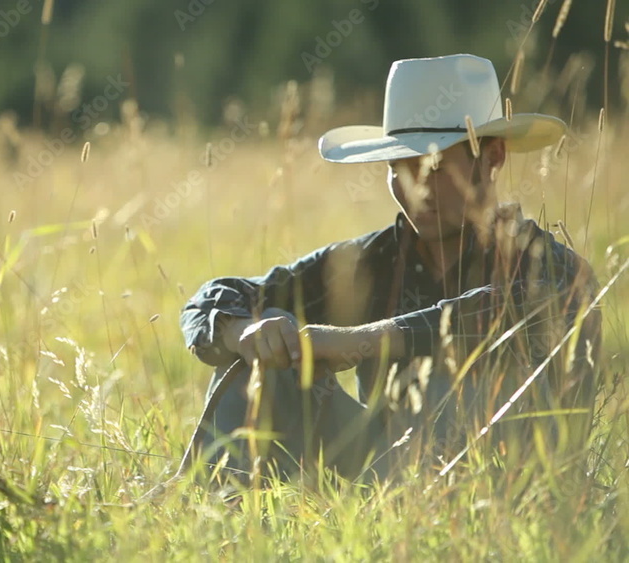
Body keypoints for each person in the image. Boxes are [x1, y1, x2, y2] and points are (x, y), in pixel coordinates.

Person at [179, 54, 602, 484]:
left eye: (435, 167)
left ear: (492, 157)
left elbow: (514, 312)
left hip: (506, 489)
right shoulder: (369, 260)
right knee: (265, 340)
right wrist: (242, 332)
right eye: (398, 168)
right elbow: (215, 299)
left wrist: (353, 342)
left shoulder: (552, 267)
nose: (416, 188)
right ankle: (217, 508)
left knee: (468, 380)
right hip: (379, 477)